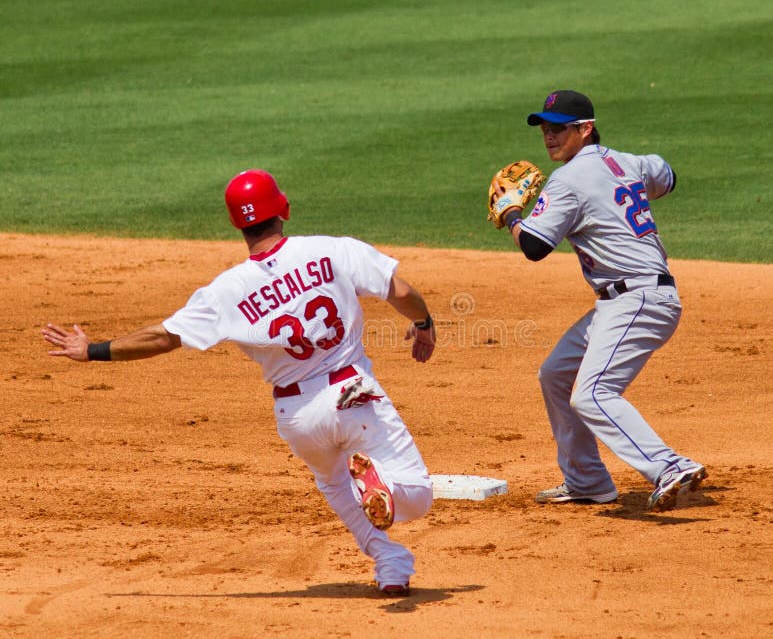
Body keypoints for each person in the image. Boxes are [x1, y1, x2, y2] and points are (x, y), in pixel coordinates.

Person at [42, 169, 436, 594]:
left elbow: (162, 337)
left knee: (334, 484)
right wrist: (423, 322)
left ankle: (390, 563)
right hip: (351, 393)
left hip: (297, 417)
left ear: (238, 223)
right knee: (416, 493)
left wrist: (92, 349)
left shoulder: (226, 290)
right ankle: (385, 488)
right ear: (282, 208)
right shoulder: (332, 250)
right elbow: (400, 292)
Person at [489, 90, 706, 512]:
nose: (549, 137)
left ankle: (667, 466)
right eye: (545, 129)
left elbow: (534, 247)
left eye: (559, 129)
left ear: (585, 129)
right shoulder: (629, 162)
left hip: (637, 298)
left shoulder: (568, 180)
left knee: (591, 393)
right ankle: (587, 480)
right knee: (556, 374)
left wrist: (513, 214)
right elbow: (668, 174)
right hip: (629, 298)